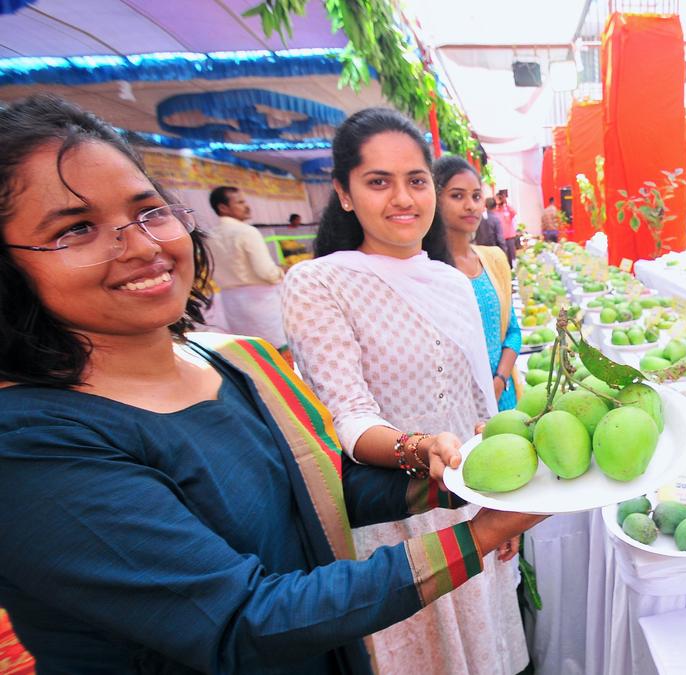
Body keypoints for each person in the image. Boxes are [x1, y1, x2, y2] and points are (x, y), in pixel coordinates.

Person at [0, 94, 543, 674]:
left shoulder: (228, 360)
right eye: (77, 228)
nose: (141, 245)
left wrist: (464, 479)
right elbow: (242, 620)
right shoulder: (32, 443)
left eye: (148, 211)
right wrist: (479, 535)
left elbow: (315, 495)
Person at [281, 108, 530, 675]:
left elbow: (478, 405)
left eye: (416, 180)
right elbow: (347, 416)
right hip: (397, 514)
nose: (403, 198)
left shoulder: (450, 279)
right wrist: (420, 451)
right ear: (344, 193)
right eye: (378, 181)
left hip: (467, 496)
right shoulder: (319, 283)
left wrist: (498, 502)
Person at [423, 155, 521, 411]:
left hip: (504, 398)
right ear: (434, 199)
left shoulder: (494, 260)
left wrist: (499, 380)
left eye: (476, 196)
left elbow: (512, 332)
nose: (470, 205)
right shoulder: (428, 271)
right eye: (457, 196)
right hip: (456, 407)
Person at [206, 185, 288, 348]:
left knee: (251, 354)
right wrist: (281, 271)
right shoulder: (247, 232)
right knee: (276, 352)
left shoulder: (208, 237)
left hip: (231, 304)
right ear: (223, 208)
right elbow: (267, 273)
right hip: (260, 304)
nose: (247, 206)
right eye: (240, 202)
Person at [495, 188, 517, 264]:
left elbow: (514, 213)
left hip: (510, 238)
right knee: (504, 258)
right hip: (500, 239)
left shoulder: (507, 209)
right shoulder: (496, 210)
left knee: (512, 257)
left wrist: (506, 203)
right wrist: (497, 203)